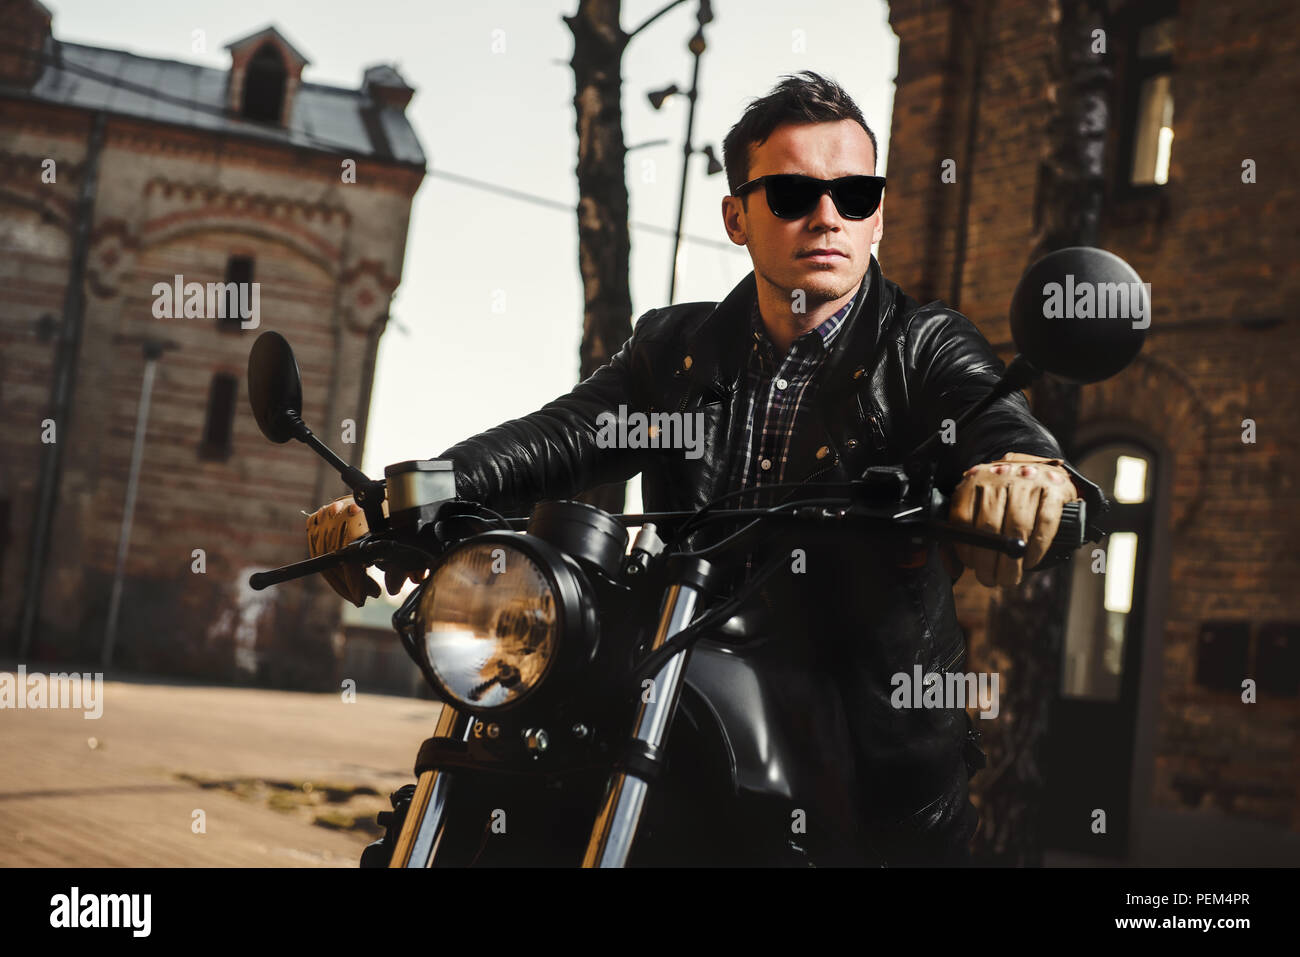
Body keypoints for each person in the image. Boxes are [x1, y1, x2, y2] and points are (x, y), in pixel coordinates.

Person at [307, 71, 1096, 865]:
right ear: (737, 216)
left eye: (855, 194)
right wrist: (395, 499)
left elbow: (999, 425)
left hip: (865, 760)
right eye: (791, 193)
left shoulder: (922, 348)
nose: (828, 216)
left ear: (877, 214)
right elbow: (554, 440)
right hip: (669, 695)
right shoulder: (677, 352)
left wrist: (1028, 475)